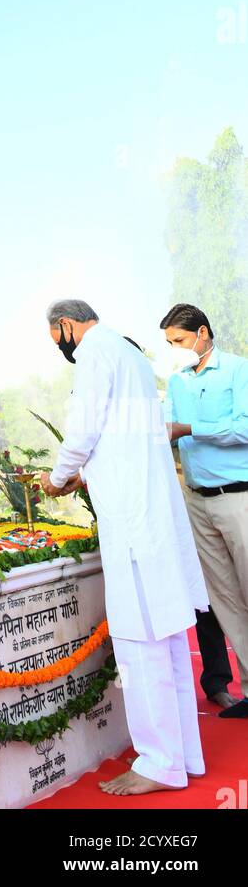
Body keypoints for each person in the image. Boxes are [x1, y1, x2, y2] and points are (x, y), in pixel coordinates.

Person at [39, 299, 209, 796]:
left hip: (133, 523)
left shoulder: (94, 352)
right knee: (172, 641)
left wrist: (58, 478)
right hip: (153, 515)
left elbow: (85, 429)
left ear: (66, 326)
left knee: (140, 644)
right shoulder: (131, 354)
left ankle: (158, 763)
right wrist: (84, 475)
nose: (62, 350)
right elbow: (121, 438)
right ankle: (185, 757)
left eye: (57, 339)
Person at [162, 303, 248, 719]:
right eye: (169, 344)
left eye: (178, 341)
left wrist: (190, 429)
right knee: (225, 601)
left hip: (240, 498)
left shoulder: (237, 369)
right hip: (196, 500)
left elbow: (245, 427)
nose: (175, 349)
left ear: (202, 333)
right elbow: (162, 430)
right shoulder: (176, 381)